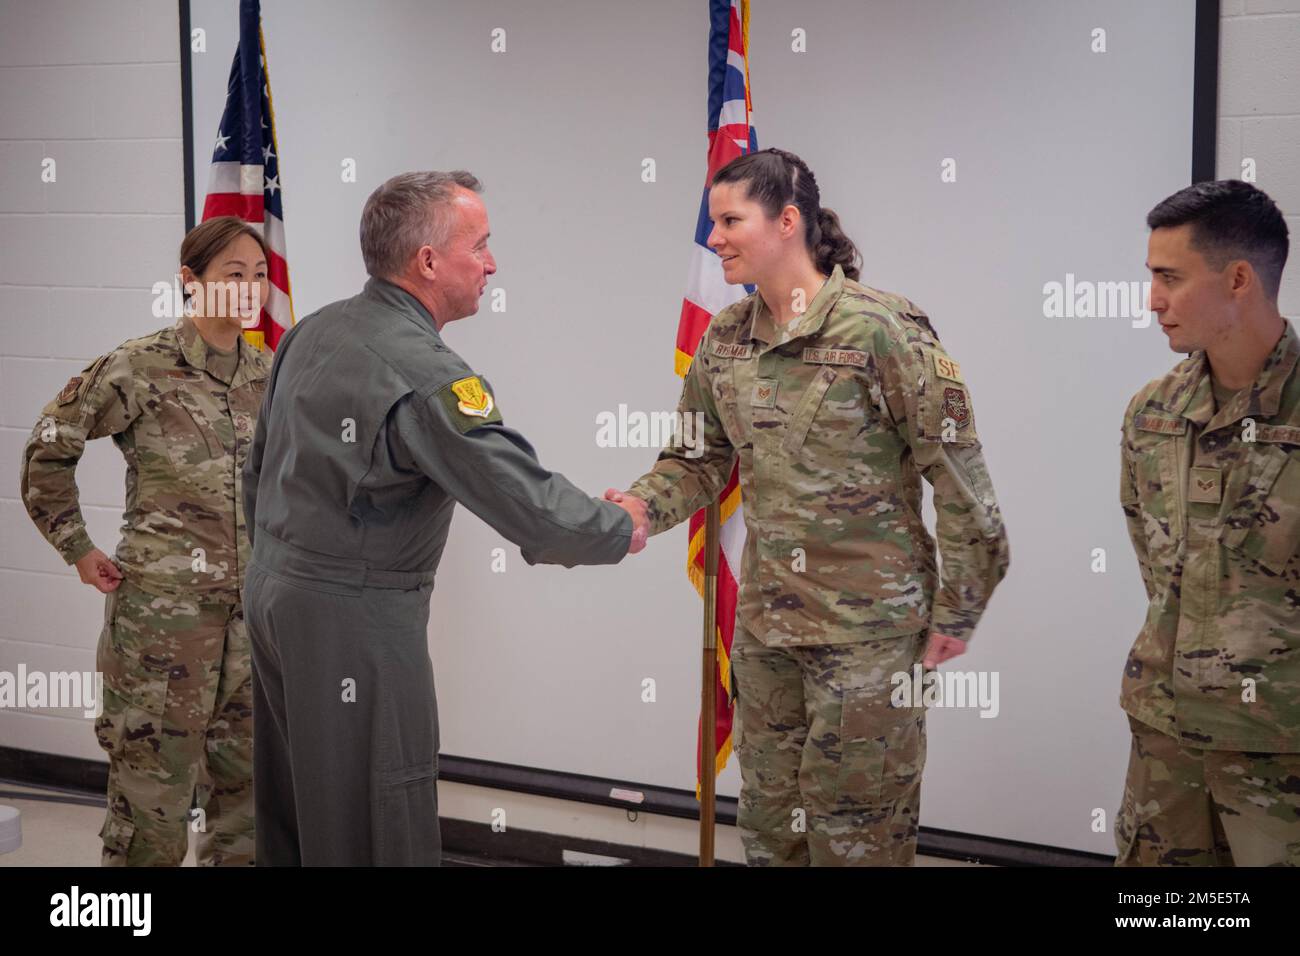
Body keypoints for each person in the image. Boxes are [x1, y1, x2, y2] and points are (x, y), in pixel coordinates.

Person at [607, 148, 1009, 865]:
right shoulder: (726, 339)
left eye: (731, 220)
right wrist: (641, 508)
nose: (715, 237)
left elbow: (958, 479)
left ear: (787, 221)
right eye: (713, 221)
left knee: (857, 837)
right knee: (771, 830)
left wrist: (959, 607)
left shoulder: (881, 329)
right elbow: (698, 460)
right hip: (768, 633)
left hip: (869, 638)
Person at [242, 170, 647, 866]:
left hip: (276, 596)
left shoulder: (313, 330)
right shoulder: (426, 375)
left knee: (301, 809)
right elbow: (529, 506)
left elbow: (256, 470)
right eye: (481, 245)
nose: (492, 263)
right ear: (428, 261)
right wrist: (622, 525)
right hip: (356, 624)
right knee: (378, 817)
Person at [19, 216, 273, 865]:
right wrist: (77, 547)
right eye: (233, 275)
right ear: (191, 281)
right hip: (164, 632)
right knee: (153, 807)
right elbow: (49, 449)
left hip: (253, 626)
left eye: (260, 276)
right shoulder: (140, 366)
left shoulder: (273, 374)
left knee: (248, 811)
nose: (250, 289)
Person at [1115, 180, 1298, 867]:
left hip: (1281, 755)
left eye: (1170, 278)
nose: (1152, 300)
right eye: (1151, 277)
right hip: (1167, 745)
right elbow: (1156, 564)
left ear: (1239, 279)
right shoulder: (1152, 413)